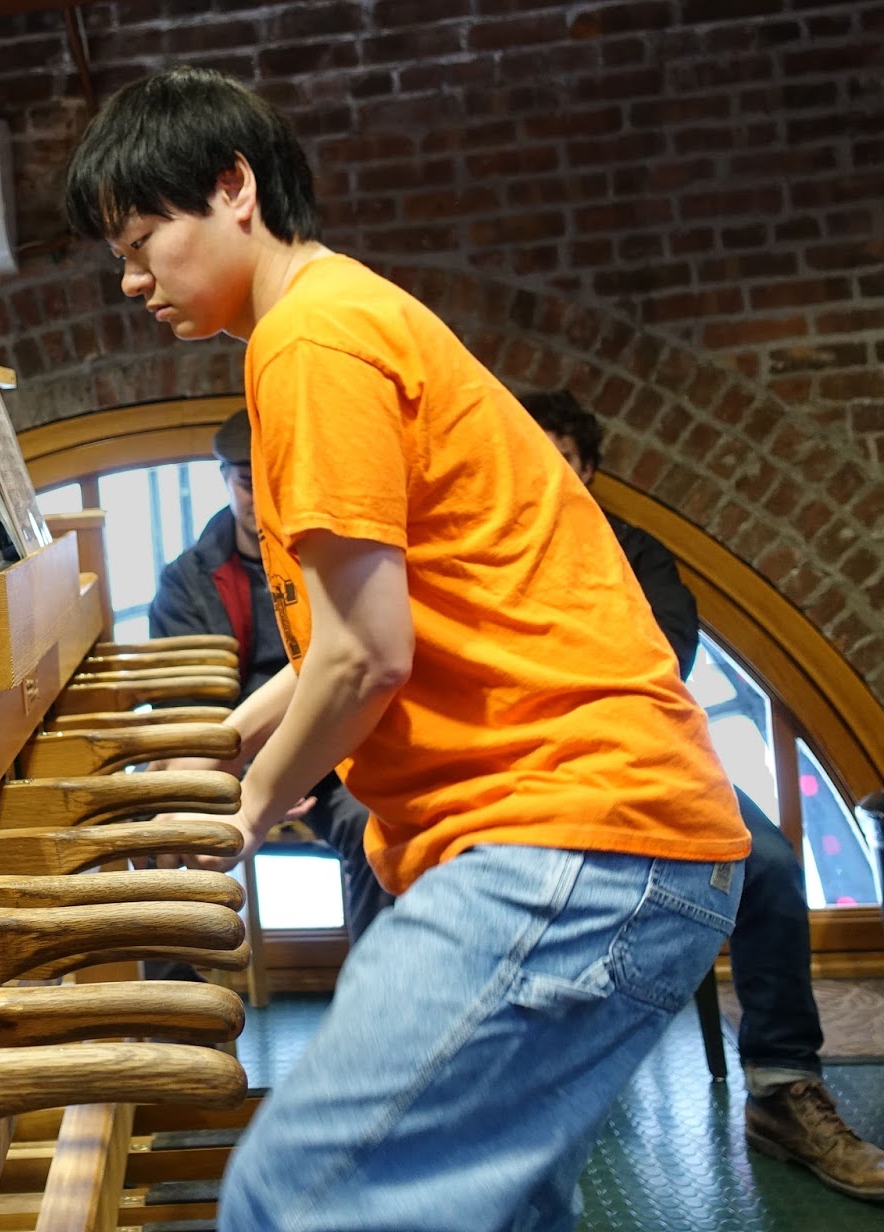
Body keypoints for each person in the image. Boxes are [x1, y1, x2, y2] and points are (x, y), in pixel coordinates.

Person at [65, 67, 750, 1232]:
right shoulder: (338, 319)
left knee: (293, 1196)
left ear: (233, 188)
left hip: (566, 838)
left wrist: (239, 816)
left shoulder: (308, 343)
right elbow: (371, 626)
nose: (131, 281)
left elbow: (366, 659)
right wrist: (218, 745)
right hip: (578, 842)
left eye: (143, 240)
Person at [522, 389, 884, 1203]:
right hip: (528, 764)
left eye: (568, 461)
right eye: (535, 455)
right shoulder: (483, 547)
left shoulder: (638, 552)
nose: (552, 475)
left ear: (592, 471)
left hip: (651, 749)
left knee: (773, 864)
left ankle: (783, 1087)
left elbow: (664, 659)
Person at [147, 410, 395, 943]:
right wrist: (252, 775)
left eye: (272, 483)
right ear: (223, 479)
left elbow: (350, 664)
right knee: (153, 829)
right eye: (245, 483)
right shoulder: (186, 582)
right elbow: (187, 708)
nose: (261, 499)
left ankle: (371, 996)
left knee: (375, 825)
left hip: (337, 742)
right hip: (238, 750)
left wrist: (286, 770)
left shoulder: (328, 553)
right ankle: (180, 1002)